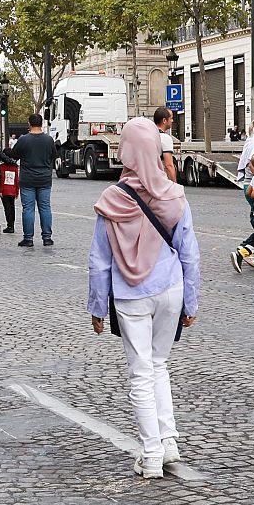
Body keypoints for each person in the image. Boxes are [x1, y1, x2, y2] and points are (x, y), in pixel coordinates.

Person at [88, 117, 200, 479]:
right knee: (159, 364)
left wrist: (97, 308)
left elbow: (99, 260)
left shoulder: (112, 200)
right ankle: (169, 441)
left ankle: (151, 454)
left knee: (140, 372)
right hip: (171, 288)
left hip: (130, 294)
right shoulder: (174, 195)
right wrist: (191, 302)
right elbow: (190, 254)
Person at [153, 107, 178, 183]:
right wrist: (174, 185)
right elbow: (169, 165)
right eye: (171, 118)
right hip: (158, 180)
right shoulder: (165, 138)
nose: (172, 121)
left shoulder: (147, 135)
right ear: (164, 120)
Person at [0, 160, 18, 234]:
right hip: (13, 190)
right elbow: (16, 180)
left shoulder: (1, 167)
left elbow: (2, 179)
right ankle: (12, 225)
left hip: (5, 190)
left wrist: (0, 190)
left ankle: (9, 225)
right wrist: (17, 191)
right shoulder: (15, 167)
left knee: (7, 208)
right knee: (12, 207)